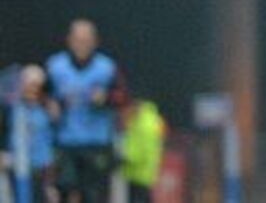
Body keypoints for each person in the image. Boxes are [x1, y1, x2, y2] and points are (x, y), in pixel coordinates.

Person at [44, 19, 127, 203]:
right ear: (69, 40)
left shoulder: (107, 68)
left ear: (95, 42)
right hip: (65, 142)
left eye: (86, 40)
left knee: (94, 194)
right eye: (78, 40)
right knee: (64, 190)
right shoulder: (55, 66)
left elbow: (123, 98)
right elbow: (42, 96)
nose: (81, 45)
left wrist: (106, 98)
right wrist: (50, 105)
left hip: (97, 143)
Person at [1, 65, 57, 203]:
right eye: (29, 84)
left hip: (43, 168)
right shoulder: (10, 108)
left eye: (37, 85)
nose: (32, 89)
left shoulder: (48, 108)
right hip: (16, 167)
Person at [119, 99, 165, 203]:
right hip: (142, 170)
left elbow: (143, 148)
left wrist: (127, 157)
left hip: (139, 170)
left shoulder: (144, 123)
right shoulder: (148, 120)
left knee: (139, 197)